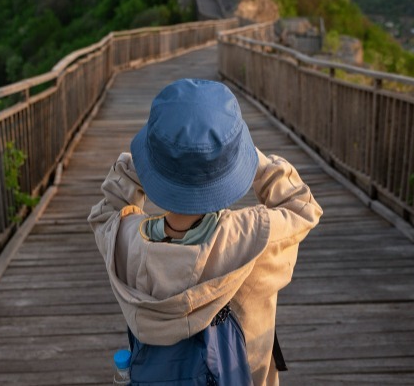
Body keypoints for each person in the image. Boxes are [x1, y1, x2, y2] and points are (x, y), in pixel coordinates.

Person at [88, 78, 322, 385]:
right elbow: (302, 206)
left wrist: (153, 160)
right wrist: (248, 159)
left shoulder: (123, 240)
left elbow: (109, 209)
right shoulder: (255, 236)